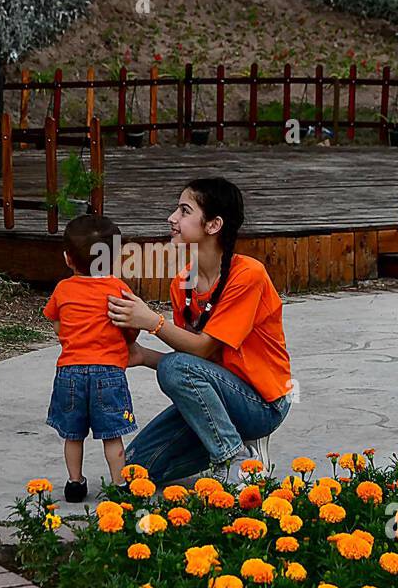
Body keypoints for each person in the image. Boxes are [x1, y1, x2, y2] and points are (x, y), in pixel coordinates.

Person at [107, 177, 293, 484]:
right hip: (217, 399)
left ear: (213, 225)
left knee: (173, 366)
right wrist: (141, 355)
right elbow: (193, 361)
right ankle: (231, 445)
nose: (172, 218)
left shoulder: (248, 274)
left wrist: (151, 321)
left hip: (261, 404)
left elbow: (202, 349)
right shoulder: (182, 283)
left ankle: (233, 457)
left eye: (183, 211)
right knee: (133, 474)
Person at [43, 215, 139, 502]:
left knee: (73, 435)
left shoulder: (63, 289)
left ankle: (75, 483)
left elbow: (57, 324)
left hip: (70, 372)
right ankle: (120, 484)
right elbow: (130, 327)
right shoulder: (119, 290)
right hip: (109, 373)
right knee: (113, 435)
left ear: (67, 258)